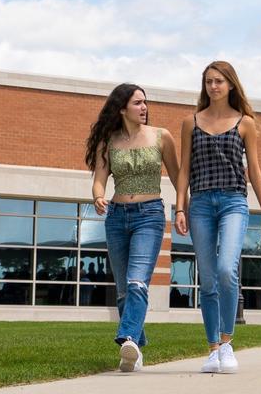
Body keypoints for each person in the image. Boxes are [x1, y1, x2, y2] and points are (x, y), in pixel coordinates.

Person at [174, 60, 261, 374]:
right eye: (208, 82)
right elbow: (184, 170)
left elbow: (254, 171)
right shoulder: (190, 122)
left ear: (230, 84)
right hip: (201, 204)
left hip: (233, 202)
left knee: (226, 270)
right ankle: (213, 349)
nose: (213, 87)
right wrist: (180, 207)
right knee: (207, 279)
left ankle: (228, 343)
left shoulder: (245, 123)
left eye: (218, 81)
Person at [86, 83, 180, 373]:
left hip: (150, 215)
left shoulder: (161, 137)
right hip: (116, 216)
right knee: (124, 290)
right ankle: (135, 351)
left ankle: (127, 338)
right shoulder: (108, 141)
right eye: (137, 103)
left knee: (137, 282)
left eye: (145, 102)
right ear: (122, 108)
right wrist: (98, 197)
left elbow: (178, 178)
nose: (144, 108)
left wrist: (183, 210)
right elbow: (99, 179)